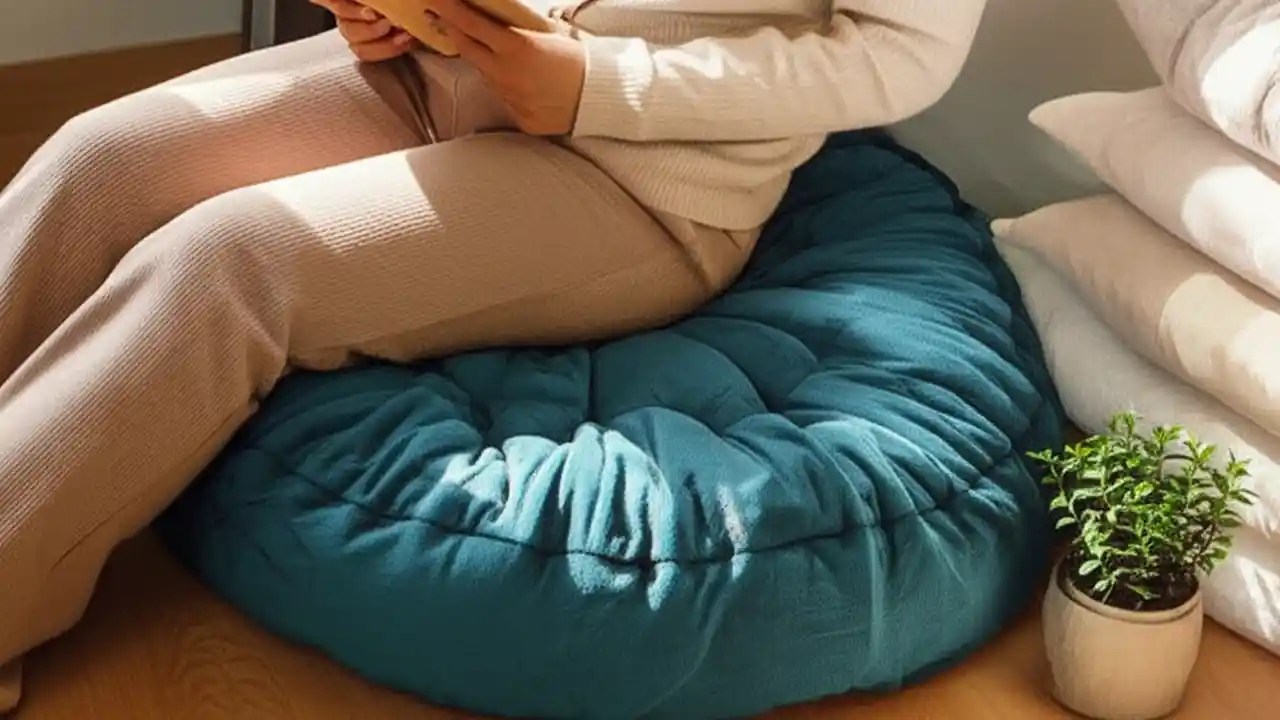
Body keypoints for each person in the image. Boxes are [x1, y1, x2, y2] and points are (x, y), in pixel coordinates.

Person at [0, 0, 987, 710]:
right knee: (100, 160)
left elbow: (897, 53)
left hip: (634, 178)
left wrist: (602, 83)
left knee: (231, 266)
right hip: (424, 69)